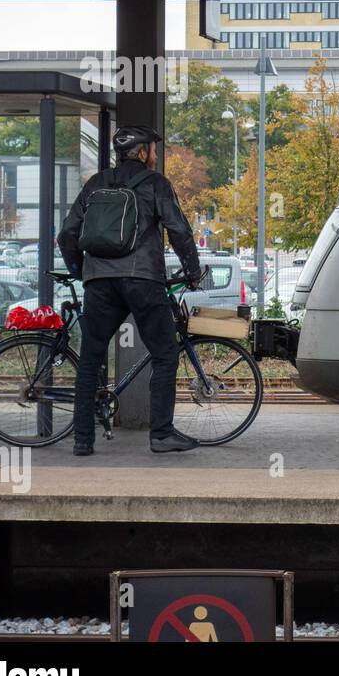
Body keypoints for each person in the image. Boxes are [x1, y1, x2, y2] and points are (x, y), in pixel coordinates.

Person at [57, 125, 204, 455]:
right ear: (142, 152)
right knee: (165, 353)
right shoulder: (156, 184)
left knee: (91, 358)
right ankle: (162, 434)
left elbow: (67, 234)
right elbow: (179, 230)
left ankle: (83, 439)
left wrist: (83, 272)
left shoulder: (95, 185)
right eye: (152, 148)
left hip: (99, 283)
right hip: (142, 279)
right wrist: (193, 272)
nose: (155, 153)